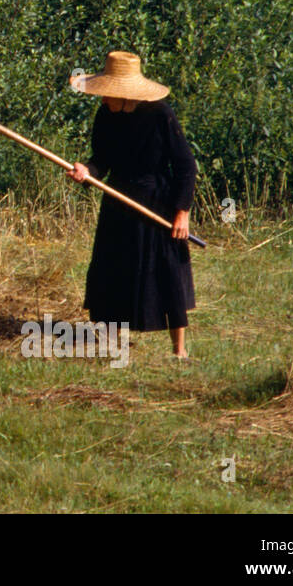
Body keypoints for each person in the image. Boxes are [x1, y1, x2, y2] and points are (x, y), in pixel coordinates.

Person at [65, 51, 196, 359]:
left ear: (123, 93)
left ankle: (179, 350)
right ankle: (113, 344)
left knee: (167, 273)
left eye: (107, 93)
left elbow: (186, 166)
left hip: (156, 202)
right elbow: (101, 161)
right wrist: (86, 171)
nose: (102, 99)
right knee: (112, 270)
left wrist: (182, 212)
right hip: (118, 200)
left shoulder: (160, 115)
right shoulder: (105, 115)